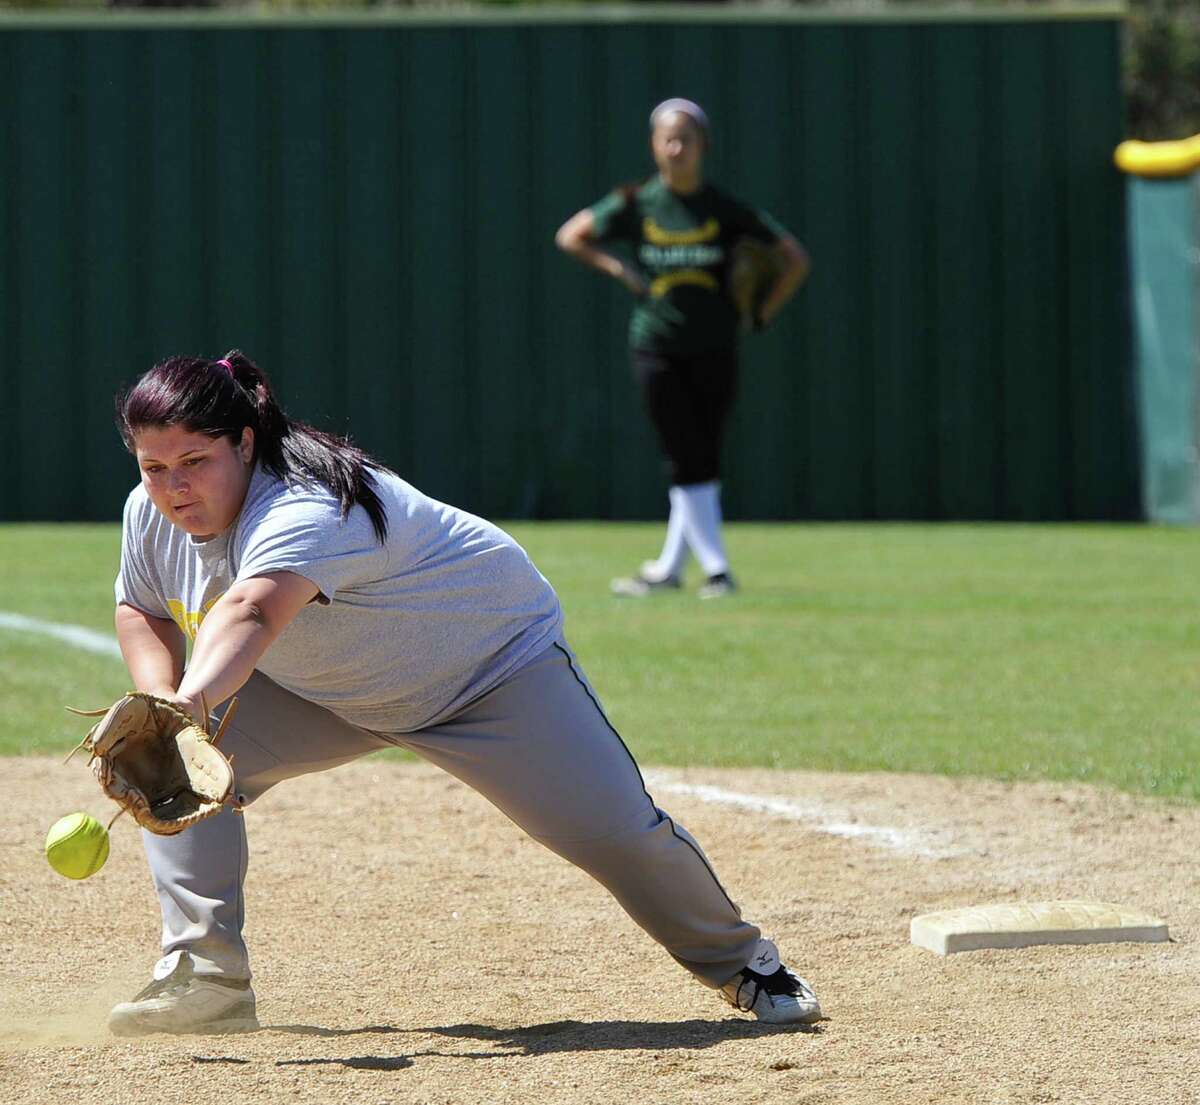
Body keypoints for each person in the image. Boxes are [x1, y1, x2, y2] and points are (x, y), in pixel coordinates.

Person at [101, 350, 822, 1036]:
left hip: (485, 671)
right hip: (325, 692)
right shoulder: (149, 511)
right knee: (166, 768)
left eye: (196, 461)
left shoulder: (306, 503)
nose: (174, 486)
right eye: (154, 466)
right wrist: (165, 699)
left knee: (610, 831)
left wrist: (183, 708)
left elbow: (252, 611)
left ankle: (746, 964)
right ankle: (206, 975)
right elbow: (144, 607)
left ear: (248, 443)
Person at [556, 98, 810, 599]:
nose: (676, 148)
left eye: (686, 139)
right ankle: (717, 569)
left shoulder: (723, 208)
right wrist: (619, 267)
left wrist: (762, 311)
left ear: (703, 147)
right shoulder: (637, 203)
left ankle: (669, 570)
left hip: (715, 343)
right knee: (685, 454)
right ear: (654, 145)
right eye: (667, 139)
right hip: (656, 344)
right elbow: (571, 235)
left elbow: (794, 258)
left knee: (701, 457)